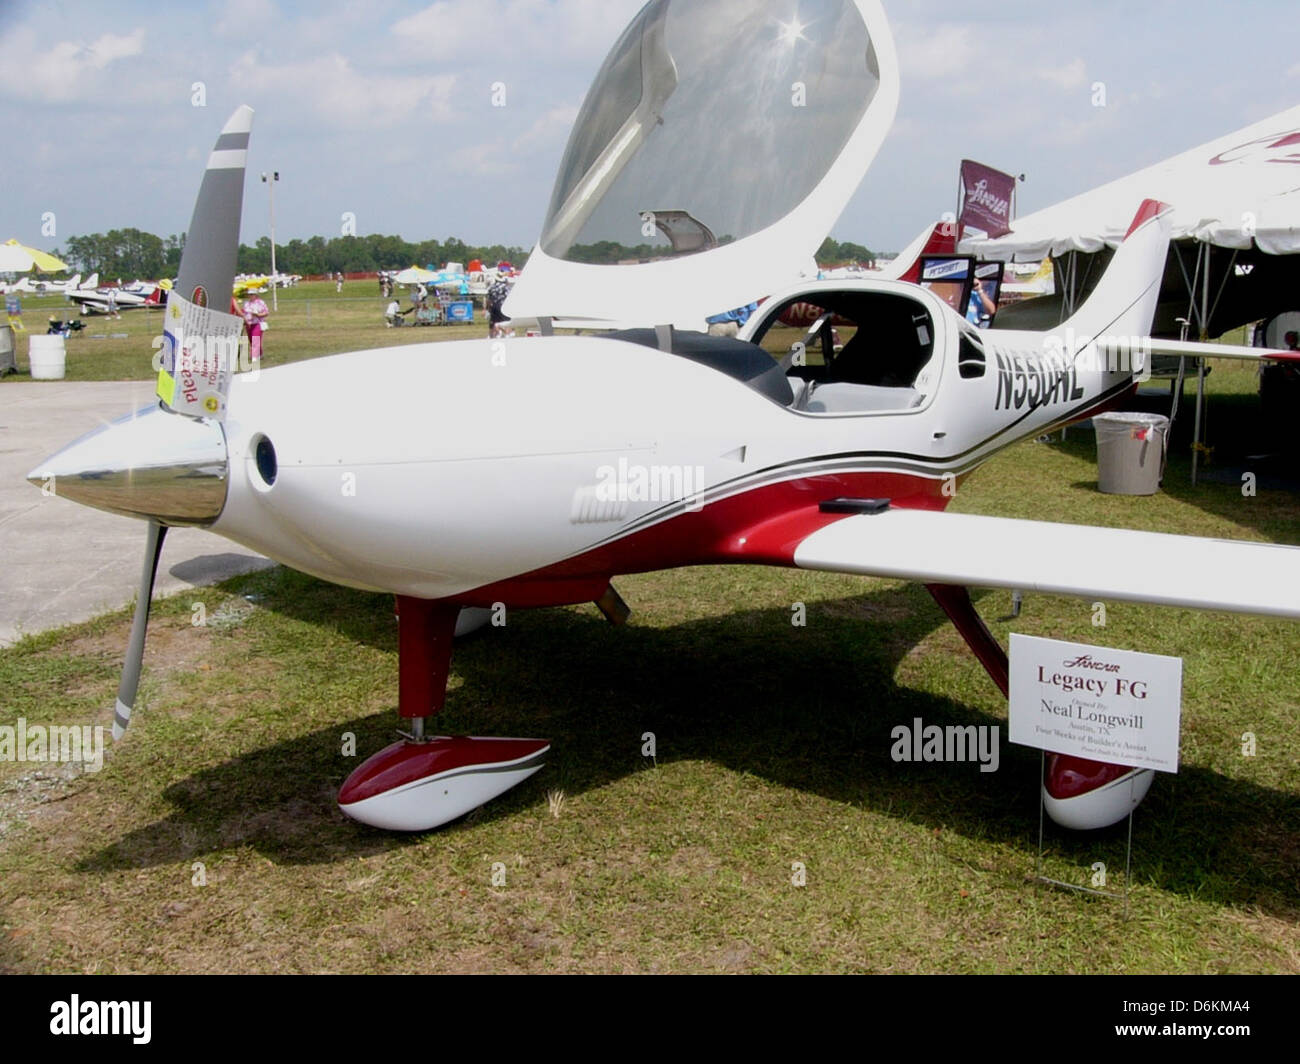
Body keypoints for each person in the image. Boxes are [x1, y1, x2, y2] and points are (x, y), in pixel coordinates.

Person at [242, 292, 269, 363]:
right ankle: (260, 353)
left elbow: (266, 312)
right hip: (248, 324)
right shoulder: (246, 303)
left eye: (252, 294)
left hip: (257, 323)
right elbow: (244, 312)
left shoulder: (260, 303)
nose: (250, 296)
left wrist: (258, 314)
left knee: (255, 339)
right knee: (251, 340)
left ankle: (254, 356)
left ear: (256, 295)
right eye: (249, 294)